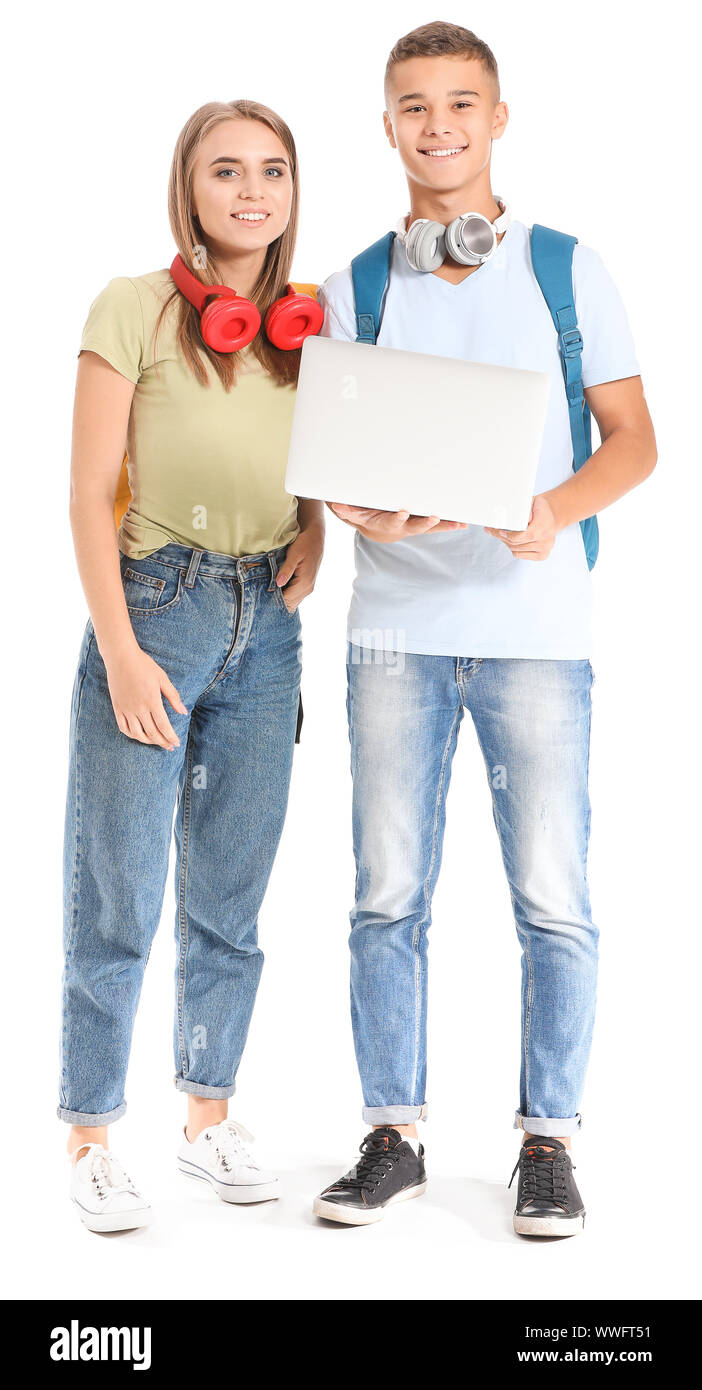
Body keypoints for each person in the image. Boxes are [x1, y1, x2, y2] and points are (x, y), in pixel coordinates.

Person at [312, 21, 656, 1234]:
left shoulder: (568, 267)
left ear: (498, 119)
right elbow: (337, 466)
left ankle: (548, 1142)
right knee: (386, 893)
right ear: (389, 125)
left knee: (553, 895)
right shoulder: (353, 283)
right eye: (415, 105)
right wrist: (375, 512)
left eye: (462, 103)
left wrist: (554, 508)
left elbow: (637, 438)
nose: (440, 124)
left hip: (537, 626)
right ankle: (394, 1132)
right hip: (396, 628)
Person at [60, 99, 324, 1232]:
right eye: (227, 171)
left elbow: (319, 456)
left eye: (272, 171)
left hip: (268, 620)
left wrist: (313, 525)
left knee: (232, 890)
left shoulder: (305, 330)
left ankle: (208, 1120)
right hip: (157, 608)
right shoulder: (133, 308)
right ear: (190, 187)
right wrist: (119, 646)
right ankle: (88, 1136)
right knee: (118, 886)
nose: (252, 191)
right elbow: (84, 488)